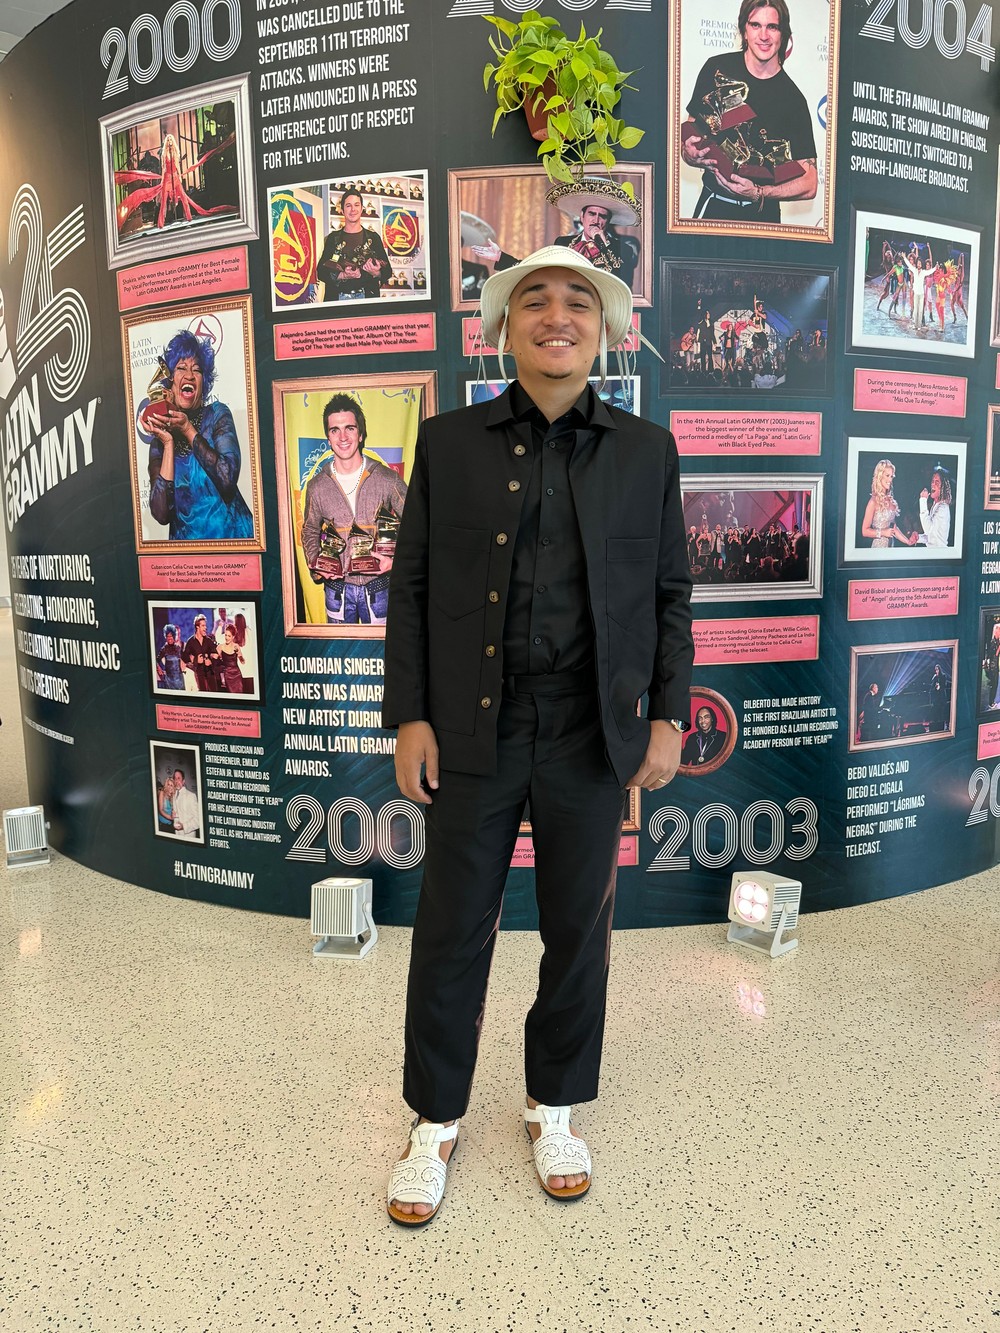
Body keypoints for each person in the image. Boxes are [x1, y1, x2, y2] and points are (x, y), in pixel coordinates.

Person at [381, 246, 694, 1225]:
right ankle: (433, 1121)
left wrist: (669, 712)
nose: (556, 317)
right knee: (451, 929)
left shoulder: (645, 449)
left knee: (577, 929)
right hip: (474, 723)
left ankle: (552, 1105)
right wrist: (411, 714)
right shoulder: (449, 441)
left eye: (577, 303)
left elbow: (669, 594)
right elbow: (413, 589)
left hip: (587, 729)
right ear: (505, 325)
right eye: (534, 302)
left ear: (602, 327)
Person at [681, 1, 817, 224]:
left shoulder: (794, 100)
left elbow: (810, 183)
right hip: (713, 207)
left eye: (772, 27)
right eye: (755, 25)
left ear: (783, 34)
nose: (763, 35)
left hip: (764, 216)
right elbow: (689, 142)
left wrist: (759, 193)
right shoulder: (715, 69)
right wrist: (690, 155)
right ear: (744, 30)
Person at [300, 394, 408, 626]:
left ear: (360, 434)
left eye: (350, 428)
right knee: (340, 656)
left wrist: (395, 560)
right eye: (335, 430)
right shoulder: (317, 486)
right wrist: (317, 562)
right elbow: (309, 529)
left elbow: (417, 523)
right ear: (328, 437)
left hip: (379, 588)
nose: (343, 437)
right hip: (336, 590)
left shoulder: (388, 479)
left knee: (381, 658)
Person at [147, 330, 255, 542]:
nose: (189, 375)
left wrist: (187, 429)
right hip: (191, 560)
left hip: (234, 546)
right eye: (180, 368)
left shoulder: (216, 415)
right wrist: (168, 443)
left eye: (196, 370)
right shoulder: (159, 442)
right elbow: (161, 514)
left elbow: (227, 478)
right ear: (170, 383)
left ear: (203, 382)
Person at [473, 178, 641, 292]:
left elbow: (623, 284)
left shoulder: (622, 249)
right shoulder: (563, 243)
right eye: (591, 214)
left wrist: (604, 245)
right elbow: (537, 268)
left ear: (608, 221)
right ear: (582, 217)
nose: (596, 220)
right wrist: (500, 257)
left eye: (602, 216)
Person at [316, 188, 391, 301]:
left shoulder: (373, 238)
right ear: (342, 210)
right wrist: (342, 275)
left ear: (361, 209)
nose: (353, 210)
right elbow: (321, 271)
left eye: (356, 205)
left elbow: (388, 272)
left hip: (367, 299)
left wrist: (376, 272)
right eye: (348, 205)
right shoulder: (333, 238)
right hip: (337, 300)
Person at [861, 459, 910, 548]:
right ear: (880, 476)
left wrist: (908, 541)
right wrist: (883, 532)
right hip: (878, 549)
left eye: (891, 476)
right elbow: (865, 531)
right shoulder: (873, 501)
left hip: (890, 547)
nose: (890, 480)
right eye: (887, 475)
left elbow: (894, 529)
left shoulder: (891, 500)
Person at [912, 465, 952, 548]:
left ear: (943, 487)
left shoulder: (943, 508)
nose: (933, 484)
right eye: (932, 481)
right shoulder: (936, 505)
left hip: (940, 554)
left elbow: (928, 530)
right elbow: (932, 536)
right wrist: (918, 538)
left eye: (937, 482)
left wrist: (923, 501)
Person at [181, 614, 221, 692]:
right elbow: (185, 657)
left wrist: (211, 661)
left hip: (210, 675)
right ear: (197, 627)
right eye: (203, 626)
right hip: (199, 676)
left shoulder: (209, 641)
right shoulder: (191, 642)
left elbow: (216, 657)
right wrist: (195, 660)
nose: (205, 628)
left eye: (205, 626)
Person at [171, 767, 200, 839]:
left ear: (183, 781)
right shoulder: (174, 796)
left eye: (178, 778)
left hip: (188, 836)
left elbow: (198, 820)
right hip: (177, 835)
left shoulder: (191, 796)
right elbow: (177, 815)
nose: (176, 781)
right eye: (175, 778)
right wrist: (173, 816)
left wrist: (184, 826)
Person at [156, 624, 185, 691]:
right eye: (167, 636)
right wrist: (159, 669)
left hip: (179, 679)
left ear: (174, 636)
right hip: (169, 679)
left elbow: (185, 660)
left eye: (171, 636)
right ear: (165, 636)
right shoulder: (164, 649)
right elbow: (157, 660)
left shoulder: (178, 648)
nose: (169, 638)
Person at [218, 623, 246, 693]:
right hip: (227, 675)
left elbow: (243, 661)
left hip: (237, 674)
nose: (226, 638)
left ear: (233, 637)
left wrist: (239, 654)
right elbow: (215, 661)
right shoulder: (221, 647)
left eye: (229, 636)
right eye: (226, 635)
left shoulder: (236, 646)